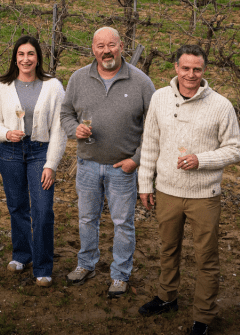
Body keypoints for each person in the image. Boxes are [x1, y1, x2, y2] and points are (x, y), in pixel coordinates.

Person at [137, 45, 240, 335]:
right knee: (167, 248)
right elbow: (150, 143)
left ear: (204, 70)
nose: (191, 74)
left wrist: (201, 160)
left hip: (204, 196)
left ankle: (203, 317)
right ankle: (166, 297)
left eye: (197, 69)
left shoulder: (221, 105)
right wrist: (145, 183)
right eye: (185, 68)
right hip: (167, 191)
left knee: (206, 257)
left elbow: (235, 149)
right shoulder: (160, 98)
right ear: (176, 68)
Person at [60, 27, 156, 298]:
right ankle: (86, 264)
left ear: (121, 46)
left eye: (111, 45)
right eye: (100, 46)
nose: (106, 51)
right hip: (87, 165)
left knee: (123, 223)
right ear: (93, 49)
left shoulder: (141, 82)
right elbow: (65, 113)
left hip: (122, 169)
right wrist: (74, 129)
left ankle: (120, 274)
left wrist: (136, 160)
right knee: (86, 218)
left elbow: (156, 126)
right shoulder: (79, 78)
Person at [0, 36, 67, 288]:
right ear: (15, 58)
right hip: (10, 151)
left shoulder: (53, 86)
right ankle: (22, 254)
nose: (25, 59)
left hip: (40, 152)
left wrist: (51, 164)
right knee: (18, 206)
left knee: (43, 210)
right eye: (21, 54)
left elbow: (60, 128)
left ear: (38, 58)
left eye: (31, 54)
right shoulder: (0, 86)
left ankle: (43, 267)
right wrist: (6, 133)